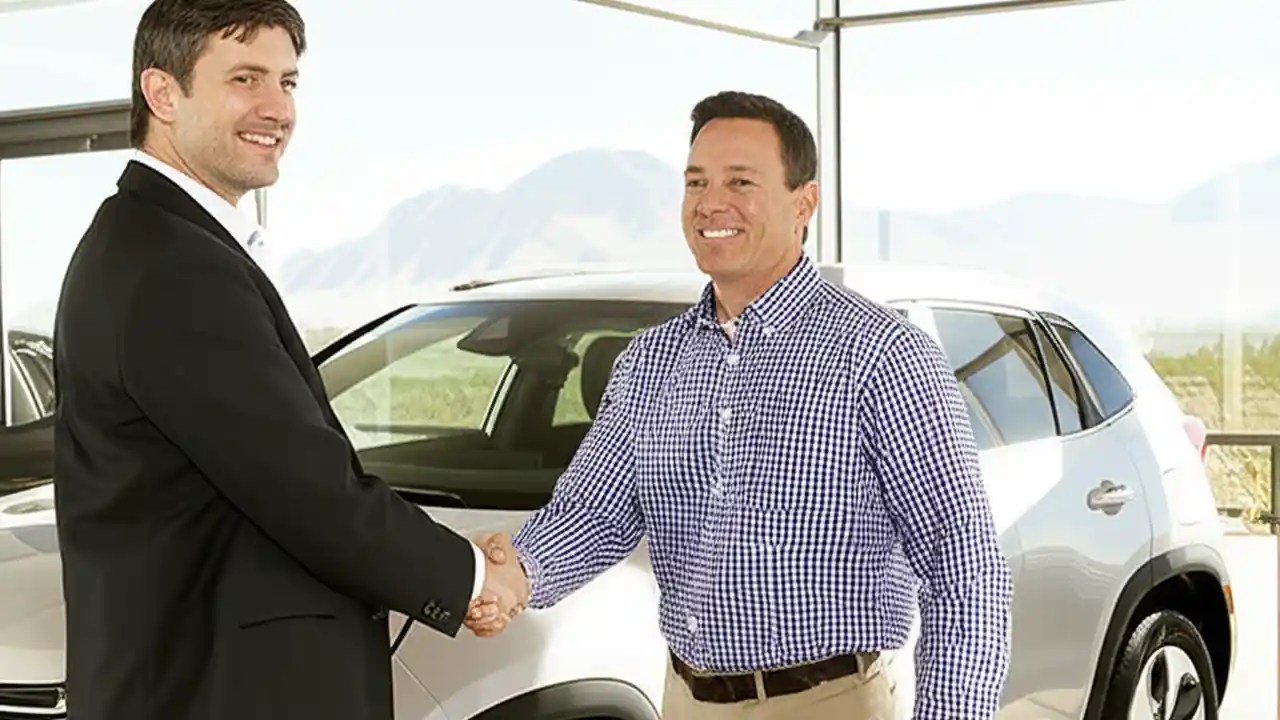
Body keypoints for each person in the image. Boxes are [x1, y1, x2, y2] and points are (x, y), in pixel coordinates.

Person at [464, 91, 1014, 719]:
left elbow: (961, 563)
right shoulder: (650, 361)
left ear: (802, 203)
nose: (710, 202)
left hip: (829, 703)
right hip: (686, 699)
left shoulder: (880, 353)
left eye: (740, 181)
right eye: (696, 181)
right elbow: (593, 513)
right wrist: (513, 573)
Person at [52, 2, 526, 719]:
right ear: (162, 93)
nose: (277, 108)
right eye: (246, 78)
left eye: (289, 82)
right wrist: (468, 579)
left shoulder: (152, 242)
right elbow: (307, 490)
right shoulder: (173, 265)